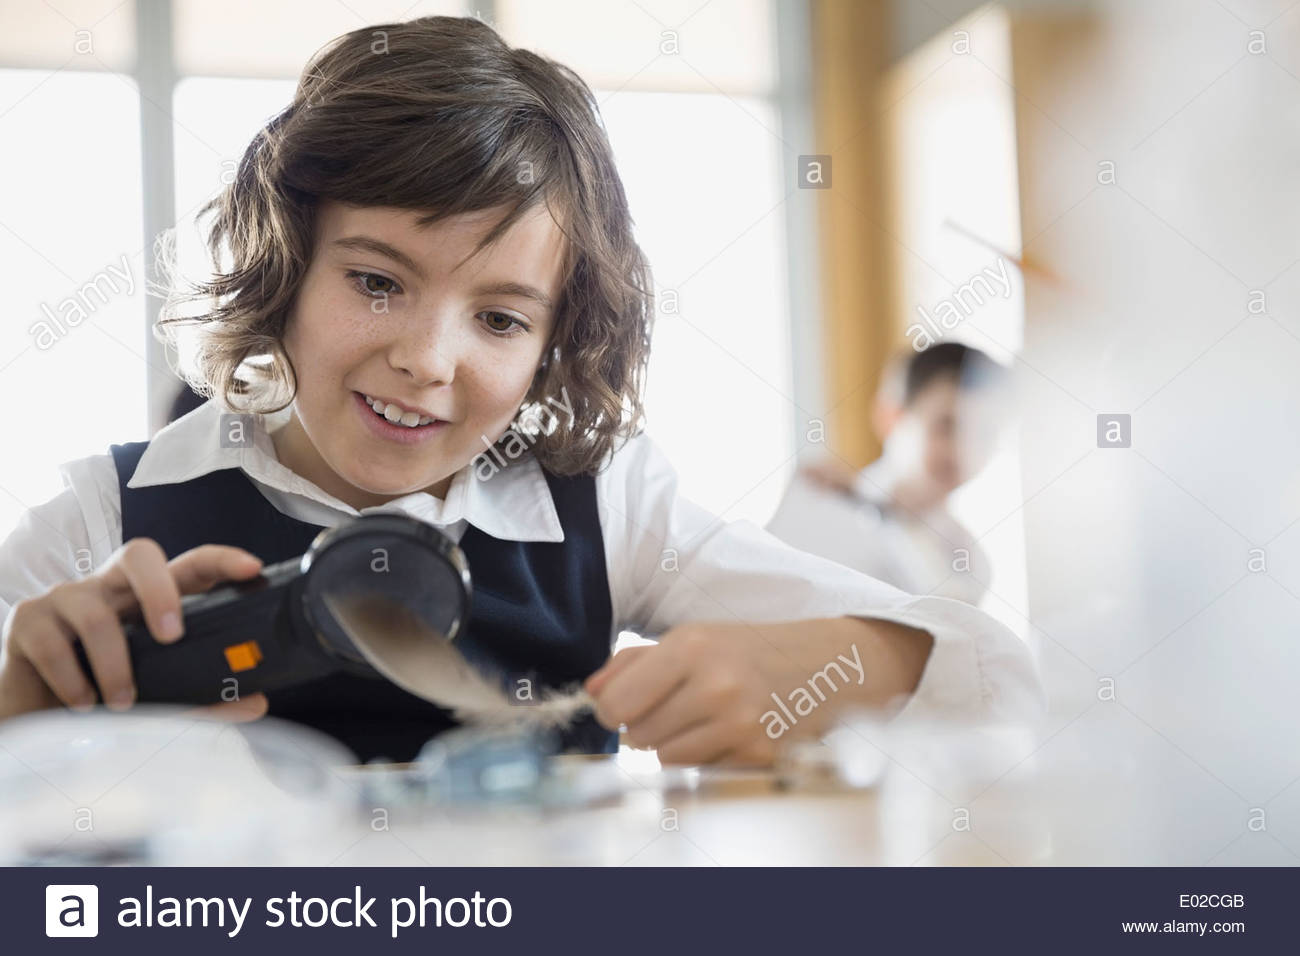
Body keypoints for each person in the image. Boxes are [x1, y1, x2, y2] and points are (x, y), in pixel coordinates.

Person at [0, 16, 1042, 766]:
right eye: (375, 281)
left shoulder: (606, 505)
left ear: (554, 343)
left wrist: (852, 664)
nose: (428, 361)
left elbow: (999, 679)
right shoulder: (107, 516)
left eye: (499, 319)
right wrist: (22, 695)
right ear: (287, 268)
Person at [768, 342, 1009, 605]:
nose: (963, 450)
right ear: (891, 416)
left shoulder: (972, 562)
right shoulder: (818, 499)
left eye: (985, 433)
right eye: (946, 426)